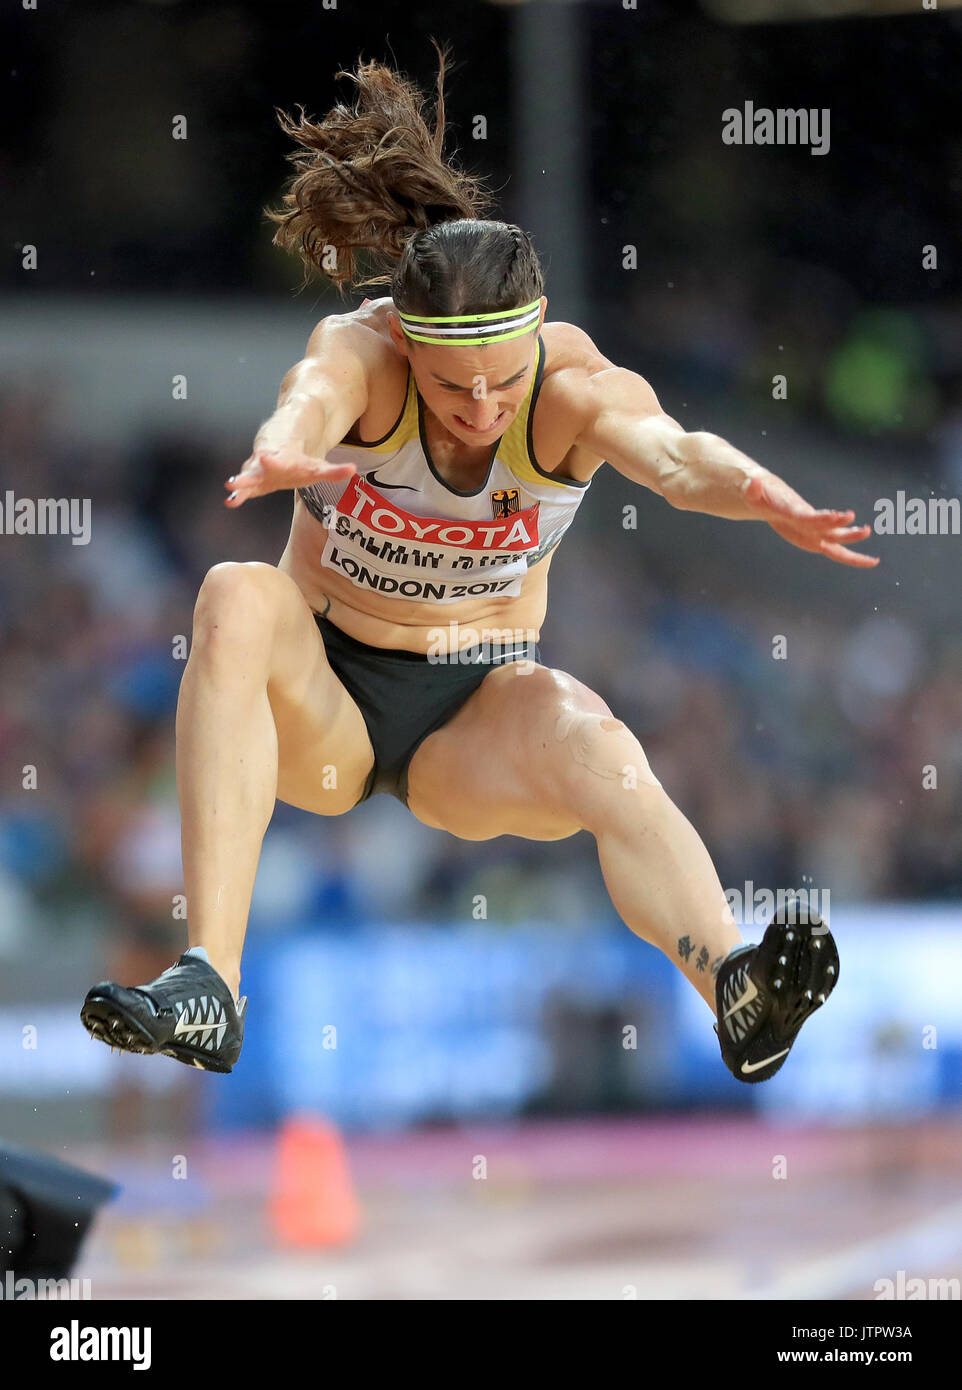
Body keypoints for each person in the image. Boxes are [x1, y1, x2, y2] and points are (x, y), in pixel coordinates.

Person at [81, 49, 875, 1084]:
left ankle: (735, 986)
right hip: (326, 708)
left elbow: (674, 456)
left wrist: (755, 489)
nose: (479, 411)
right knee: (235, 592)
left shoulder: (574, 387)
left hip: (473, 715)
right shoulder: (359, 356)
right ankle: (211, 984)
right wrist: (284, 441)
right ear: (407, 348)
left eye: (501, 382)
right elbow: (312, 396)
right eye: (452, 387)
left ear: (535, 341)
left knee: (595, 741)